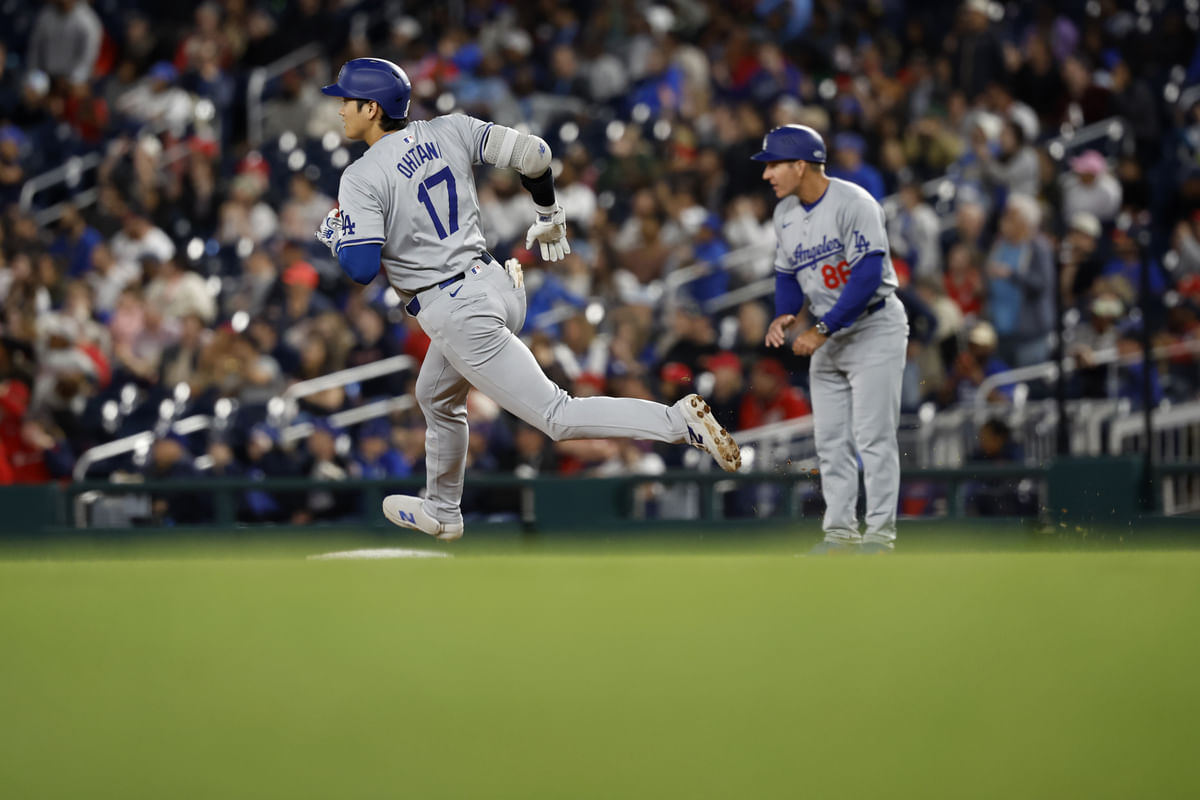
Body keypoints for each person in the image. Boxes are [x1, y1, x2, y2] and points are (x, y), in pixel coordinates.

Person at [315, 58, 740, 541]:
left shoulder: (361, 175)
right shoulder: (450, 128)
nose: (340, 109)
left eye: (346, 100)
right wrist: (549, 211)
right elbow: (535, 153)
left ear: (372, 108)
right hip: (496, 283)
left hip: (458, 309)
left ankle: (677, 422)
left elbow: (360, 269)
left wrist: (338, 236)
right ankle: (442, 509)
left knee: (558, 416)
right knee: (434, 395)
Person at [755, 124, 909, 553]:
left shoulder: (854, 202)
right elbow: (787, 274)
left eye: (773, 165)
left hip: (874, 327)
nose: (766, 174)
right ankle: (840, 534)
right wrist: (784, 314)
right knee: (830, 441)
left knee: (874, 438)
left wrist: (823, 329)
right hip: (830, 331)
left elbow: (867, 275)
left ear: (800, 165)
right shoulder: (784, 213)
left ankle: (880, 537)